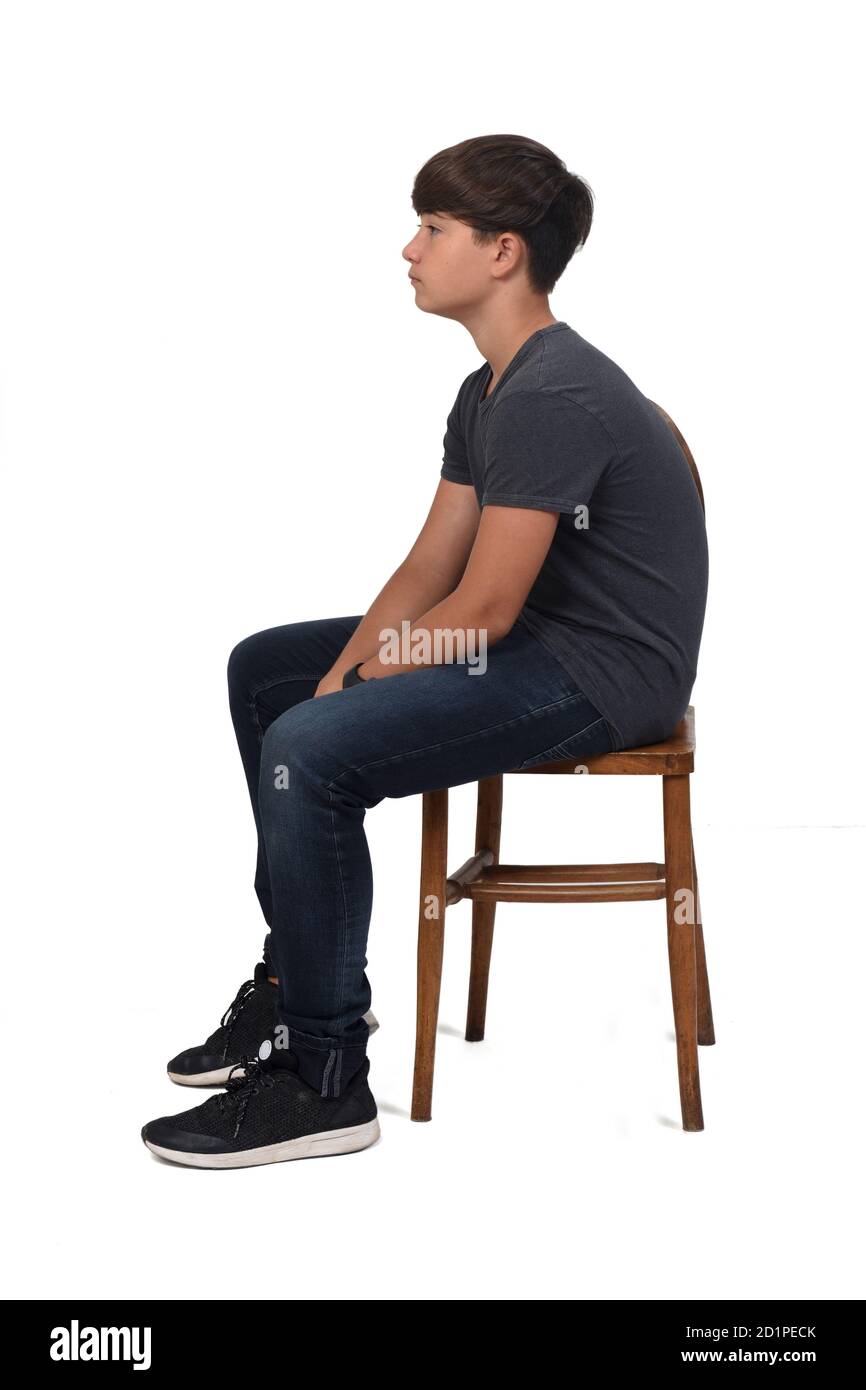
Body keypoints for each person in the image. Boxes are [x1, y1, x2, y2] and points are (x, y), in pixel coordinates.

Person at [141, 133, 709, 1168]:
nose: (408, 249)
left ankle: (324, 1075)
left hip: (601, 671)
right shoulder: (487, 389)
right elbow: (426, 574)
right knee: (264, 672)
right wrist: (339, 669)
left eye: (432, 228)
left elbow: (483, 610)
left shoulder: (552, 392)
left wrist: (356, 685)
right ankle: (292, 983)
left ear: (501, 252)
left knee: (309, 750)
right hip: (539, 638)